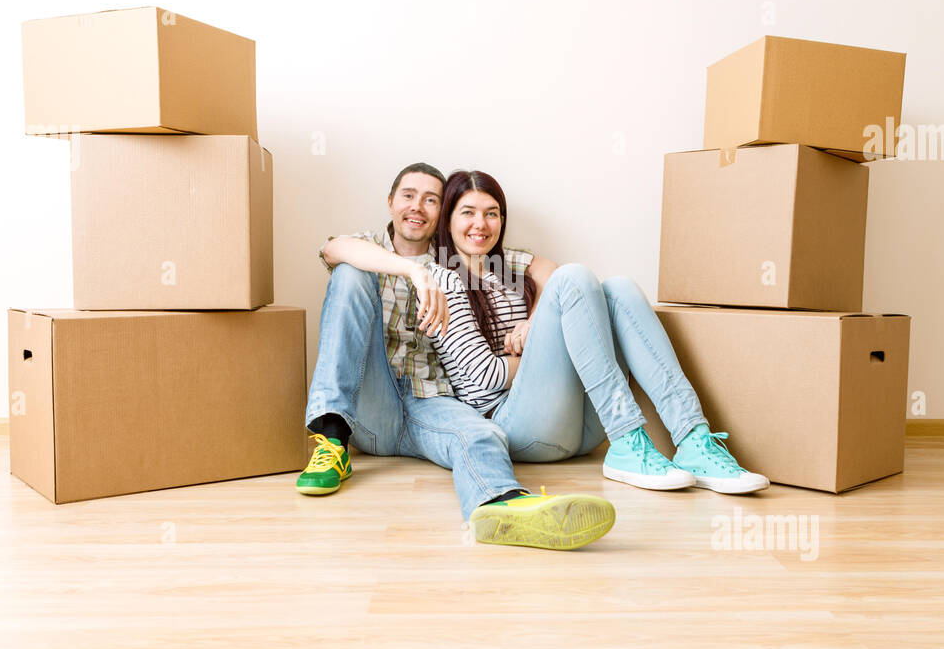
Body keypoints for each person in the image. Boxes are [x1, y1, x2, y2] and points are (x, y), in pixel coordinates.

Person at [297, 162, 617, 550]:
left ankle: (502, 506)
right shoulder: (369, 248)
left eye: (431, 200)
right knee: (349, 274)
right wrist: (413, 272)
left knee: (481, 434)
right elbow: (332, 249)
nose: (417, 207)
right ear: (390, 202)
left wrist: (532, 321)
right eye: (408, 196)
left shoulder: (458, 254)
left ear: (442, 213)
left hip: (431, 401)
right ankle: (332, 439)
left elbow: (548, 270)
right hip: (371, 402)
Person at [425, 169, 770, 494]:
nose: (480, 224)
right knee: (574, 279)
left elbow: (548, 270)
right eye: (467, 212)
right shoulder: (441, 279)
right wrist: (543, 347)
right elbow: (486, 376)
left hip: (585, 432)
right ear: (448, 220)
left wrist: (533, 322)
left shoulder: (505, 264)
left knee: (618, 288)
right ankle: (626, 438)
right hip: (517, 428)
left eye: (492, 213)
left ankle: (693, 438)